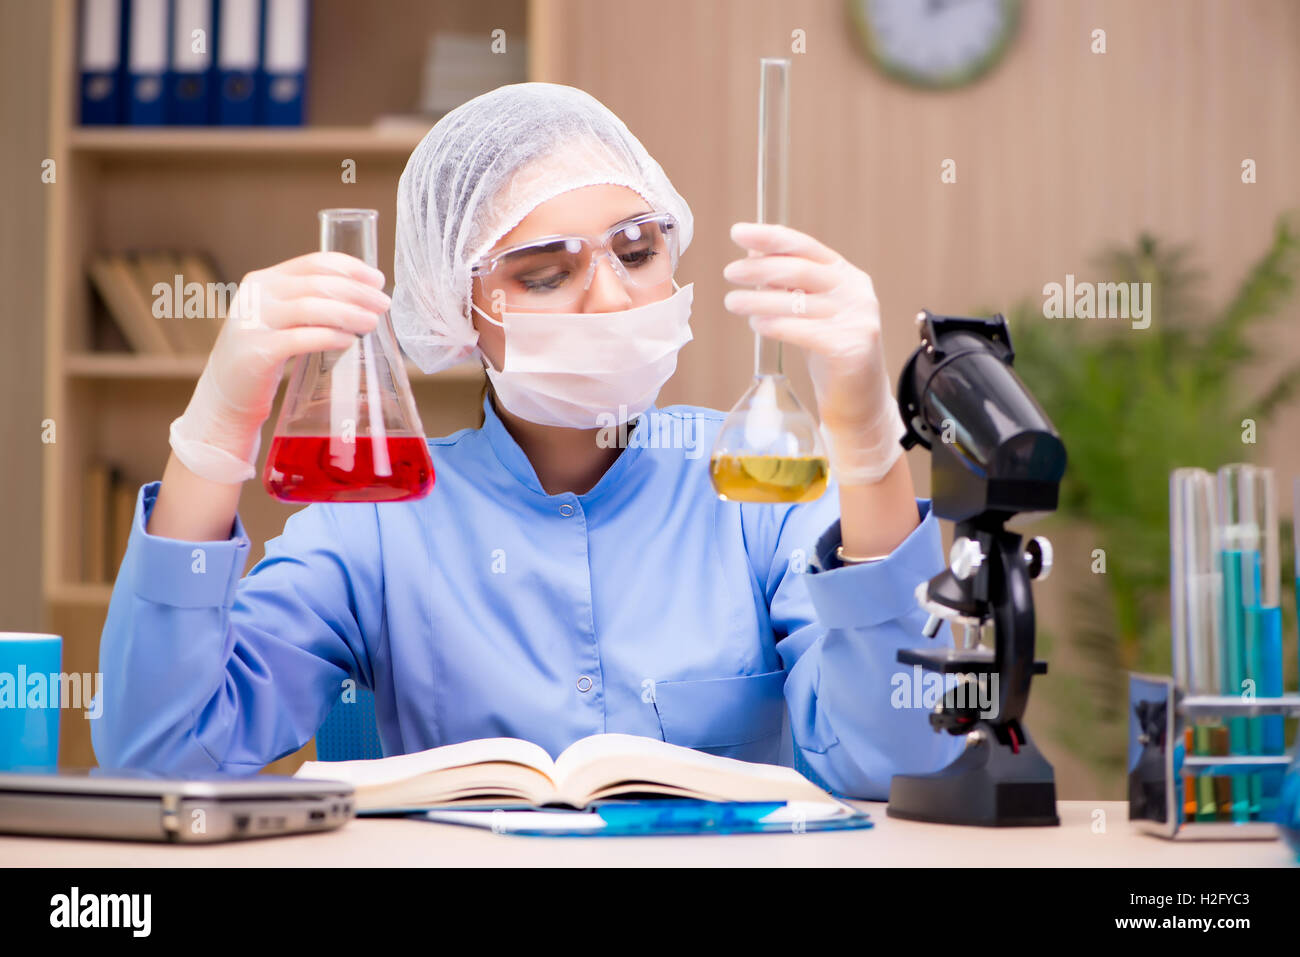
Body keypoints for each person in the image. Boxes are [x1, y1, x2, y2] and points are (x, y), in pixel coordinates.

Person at [93, 83, 964, 799]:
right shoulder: (380, 519)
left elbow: (901, 759)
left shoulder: (758, 488)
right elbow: (161, 759)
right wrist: (214, 431)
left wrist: (865, 440)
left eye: (635, 249)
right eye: (546, 272)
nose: (613, 298)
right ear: (456, 313)